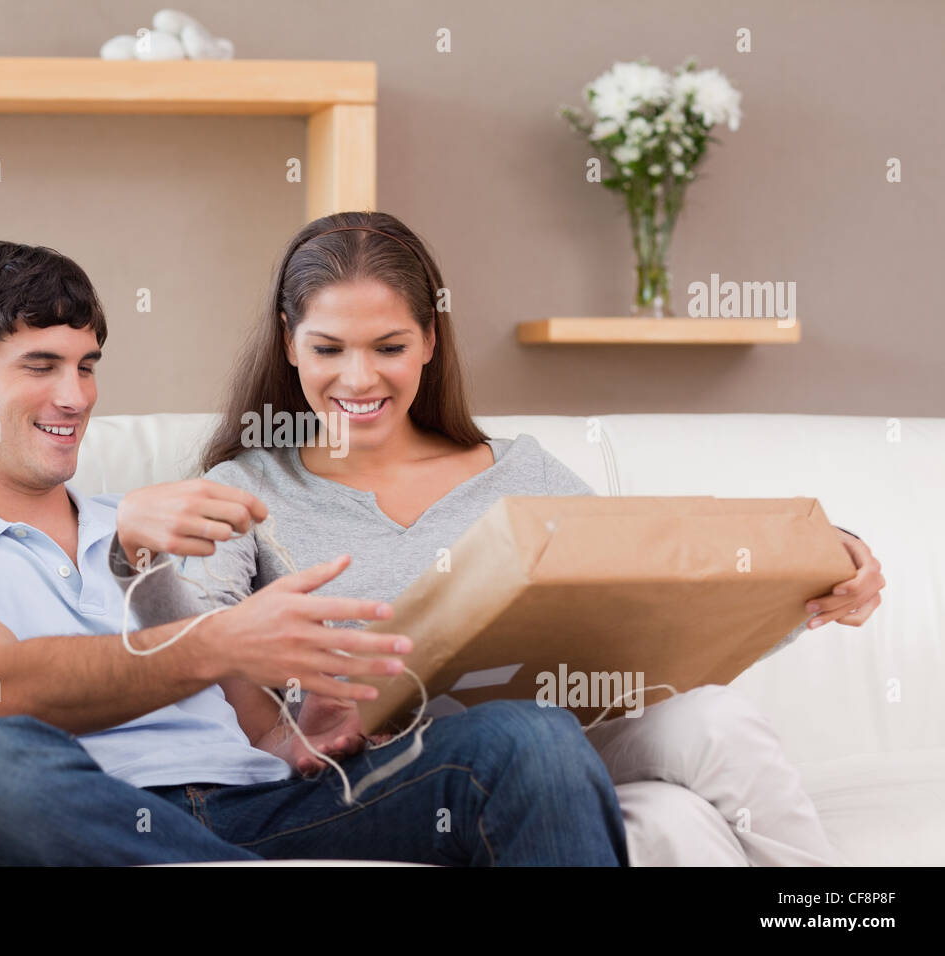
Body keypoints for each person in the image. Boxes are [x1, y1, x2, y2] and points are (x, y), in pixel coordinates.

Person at [111, 211, 888, 866]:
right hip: (393, 770)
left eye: (388, 346)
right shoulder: (248, 488)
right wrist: (275, 727)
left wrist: (823, 564)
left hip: (566, 733)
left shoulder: (520, 474)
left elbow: (658, 595)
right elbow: (187, 648)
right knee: (668, 825)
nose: (359, 379)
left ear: (429, 341)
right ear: (289, 343)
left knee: (715, 718)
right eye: (328, 349)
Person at [0, 239, 629, 866]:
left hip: (268, 808)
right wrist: (219, 639)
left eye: (86, 366)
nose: (76, 396)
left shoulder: (163, 523)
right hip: (101, 811)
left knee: (531, 739)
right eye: (42, 366)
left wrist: (304, 729)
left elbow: (256, 728)